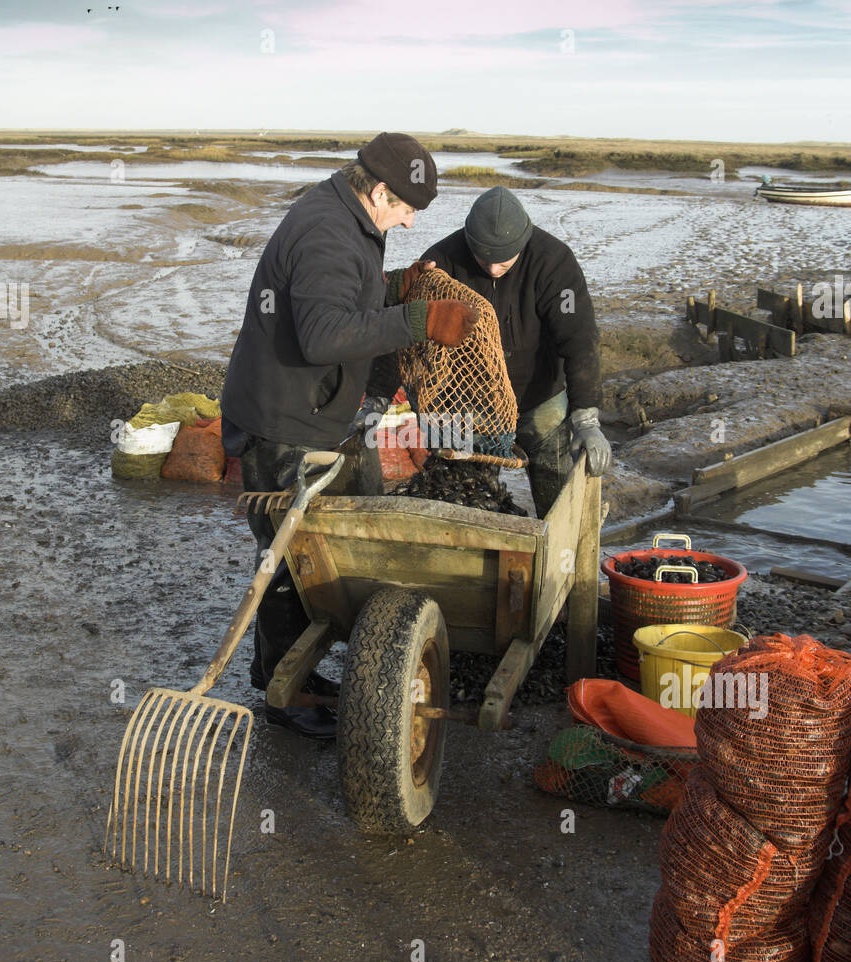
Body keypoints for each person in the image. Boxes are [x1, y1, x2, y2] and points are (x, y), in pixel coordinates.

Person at [220, 133, 477, 737]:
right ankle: (287, 697)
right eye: (408, 210)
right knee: (290, 560)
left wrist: (394, 290)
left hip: (304, 411)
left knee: (301, 551)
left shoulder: (350, 218)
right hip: (281, 421)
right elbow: (323, 336)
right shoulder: (328, 232)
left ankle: (284, 678)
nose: (411, 224)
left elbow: (344, 299)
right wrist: (414, 319)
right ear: (381, 190)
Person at [420, 186, 611, 517]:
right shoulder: (442, 260)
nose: (494, 270)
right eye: (484, 260)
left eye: (504, 260)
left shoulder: (554, 262)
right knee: (464, 505)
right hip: (469, 402)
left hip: (540, 399)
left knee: (559, 504)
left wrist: (587, 418)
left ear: (523, 242)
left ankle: (561, 560)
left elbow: (579, 338)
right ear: (468, 239)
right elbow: (409, 330)